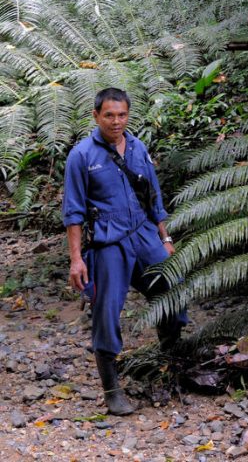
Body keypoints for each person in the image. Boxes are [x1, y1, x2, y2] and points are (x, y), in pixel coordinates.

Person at [63, 87, 188, 415]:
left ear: (128, 115)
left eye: (122, 115)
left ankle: (170, 363)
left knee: (172, 288)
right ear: (96, 115)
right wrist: (76, 260)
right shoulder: (81, 156)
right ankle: (112, 390)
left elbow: (154, 195)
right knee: (106, 308)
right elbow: (73, 212)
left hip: (144, 234)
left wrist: (165, 238)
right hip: (108, 241)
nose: (116, 121)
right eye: (109, 115)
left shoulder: (137, 147)